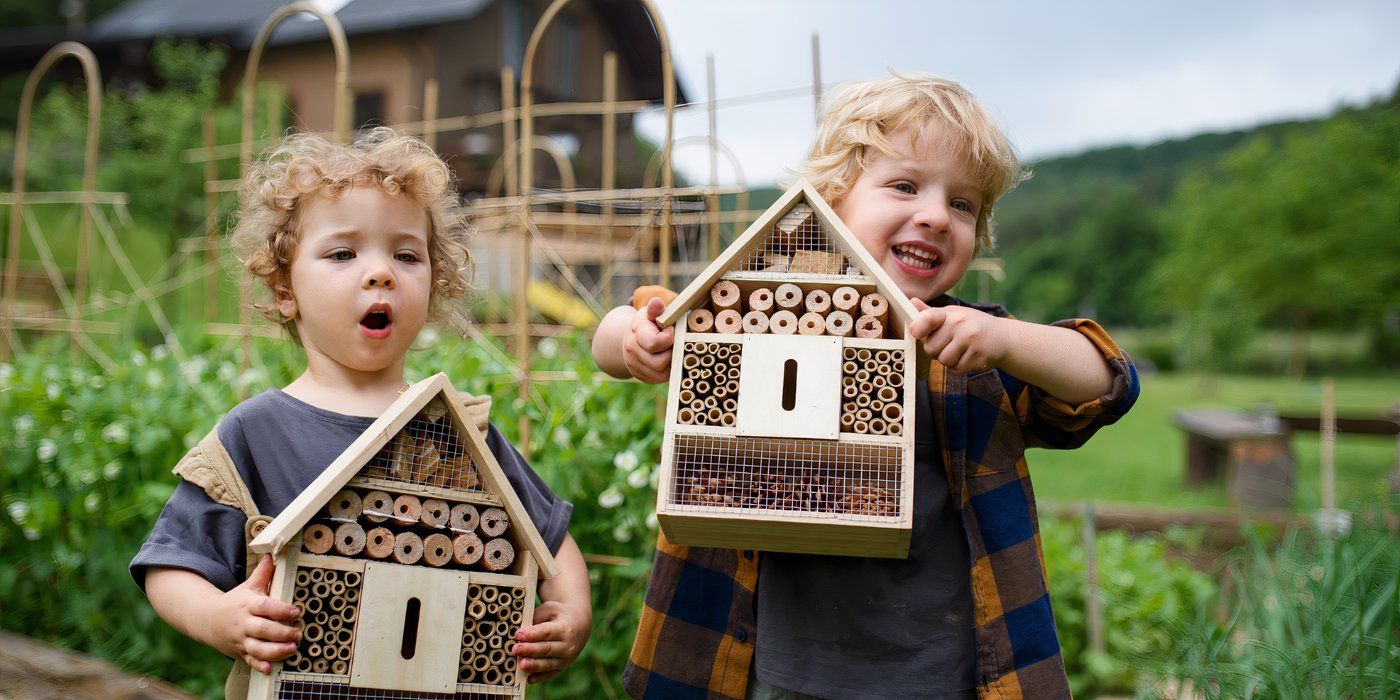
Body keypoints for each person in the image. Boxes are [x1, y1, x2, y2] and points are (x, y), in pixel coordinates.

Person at [592, 73, 1140, 699]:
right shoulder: (762, 305)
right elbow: (627, 326)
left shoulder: (967, 345)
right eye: (905, 185)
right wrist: (634, 341)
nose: (936, 216)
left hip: (939, 675)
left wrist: (1009, 342)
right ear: (832, 198)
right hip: (768, 666)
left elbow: (1109, 381)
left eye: (963, 204)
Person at [130, 128, 591, 696]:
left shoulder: (455, 429)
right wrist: (222, 619)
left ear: (435, 281)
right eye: (343, 253)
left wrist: (570, 615)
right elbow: (171, 565)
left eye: (406, 254)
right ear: (283, 288)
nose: (381, 272)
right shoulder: (256, 432)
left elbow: (552, 544)